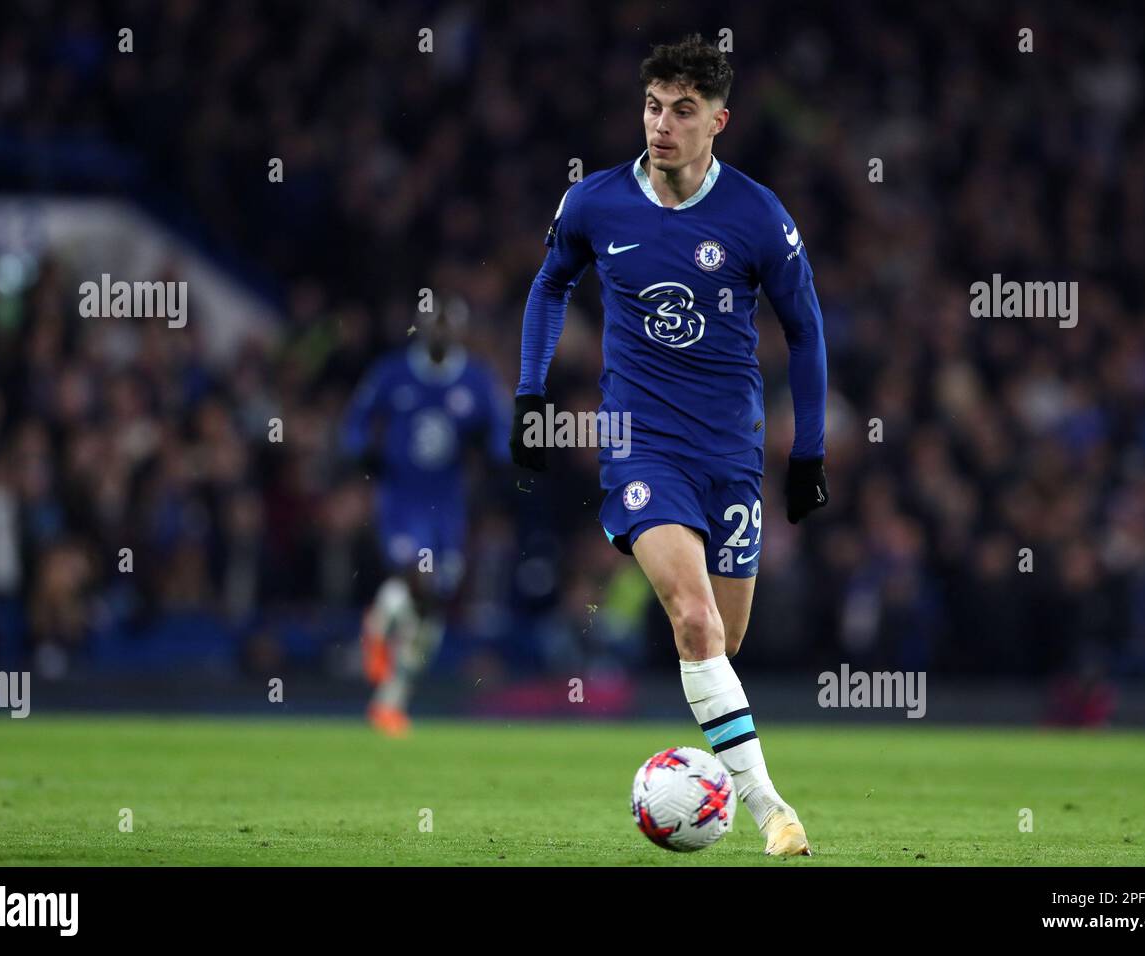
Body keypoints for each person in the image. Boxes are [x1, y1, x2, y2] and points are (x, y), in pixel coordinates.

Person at [510, 35, 828, 855]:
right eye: (653, 107)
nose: (662, 125)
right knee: (693, 623)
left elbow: (807, 333)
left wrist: (810, 454)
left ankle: (709, 775)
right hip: (640, 447)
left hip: (731, 455)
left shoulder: (757, 215)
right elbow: (549, 284)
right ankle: (771, 811)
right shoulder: (594, 203)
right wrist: (529, 393)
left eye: (683, 111)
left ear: (718, 120)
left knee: (720, 643)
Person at [342, 296, 509, 735]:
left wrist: (497, 460)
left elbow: (500, 430)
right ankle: (380, 624)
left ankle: (388, 693)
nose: (438, 335)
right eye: (430, 326)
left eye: (445, 327)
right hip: (402, 498)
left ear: (458, 332)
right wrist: (363, 455)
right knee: (417, 577)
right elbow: (357, 421)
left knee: (434, 605)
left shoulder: (474, 379)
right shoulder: (393, 373)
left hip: (448, 504)